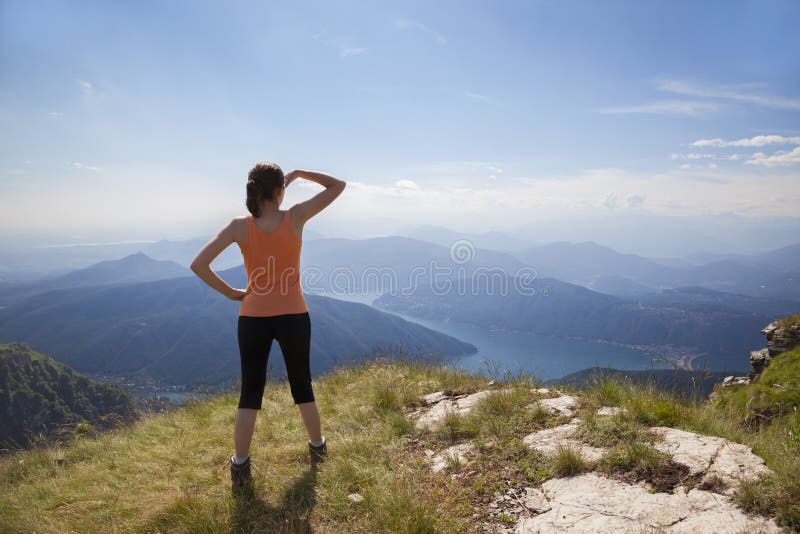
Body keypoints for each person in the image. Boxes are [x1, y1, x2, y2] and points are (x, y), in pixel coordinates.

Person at [190, 162, 346, 490]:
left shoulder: (238, 227)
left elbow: (199, 264)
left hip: (252, 317)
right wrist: (300, 174)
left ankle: (240, 465)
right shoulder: (296, 217)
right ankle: (317, 448)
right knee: (302, 384)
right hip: (293, 315)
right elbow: (338, 186)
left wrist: (232, 292)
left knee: (250, 392)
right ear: (279, 191)